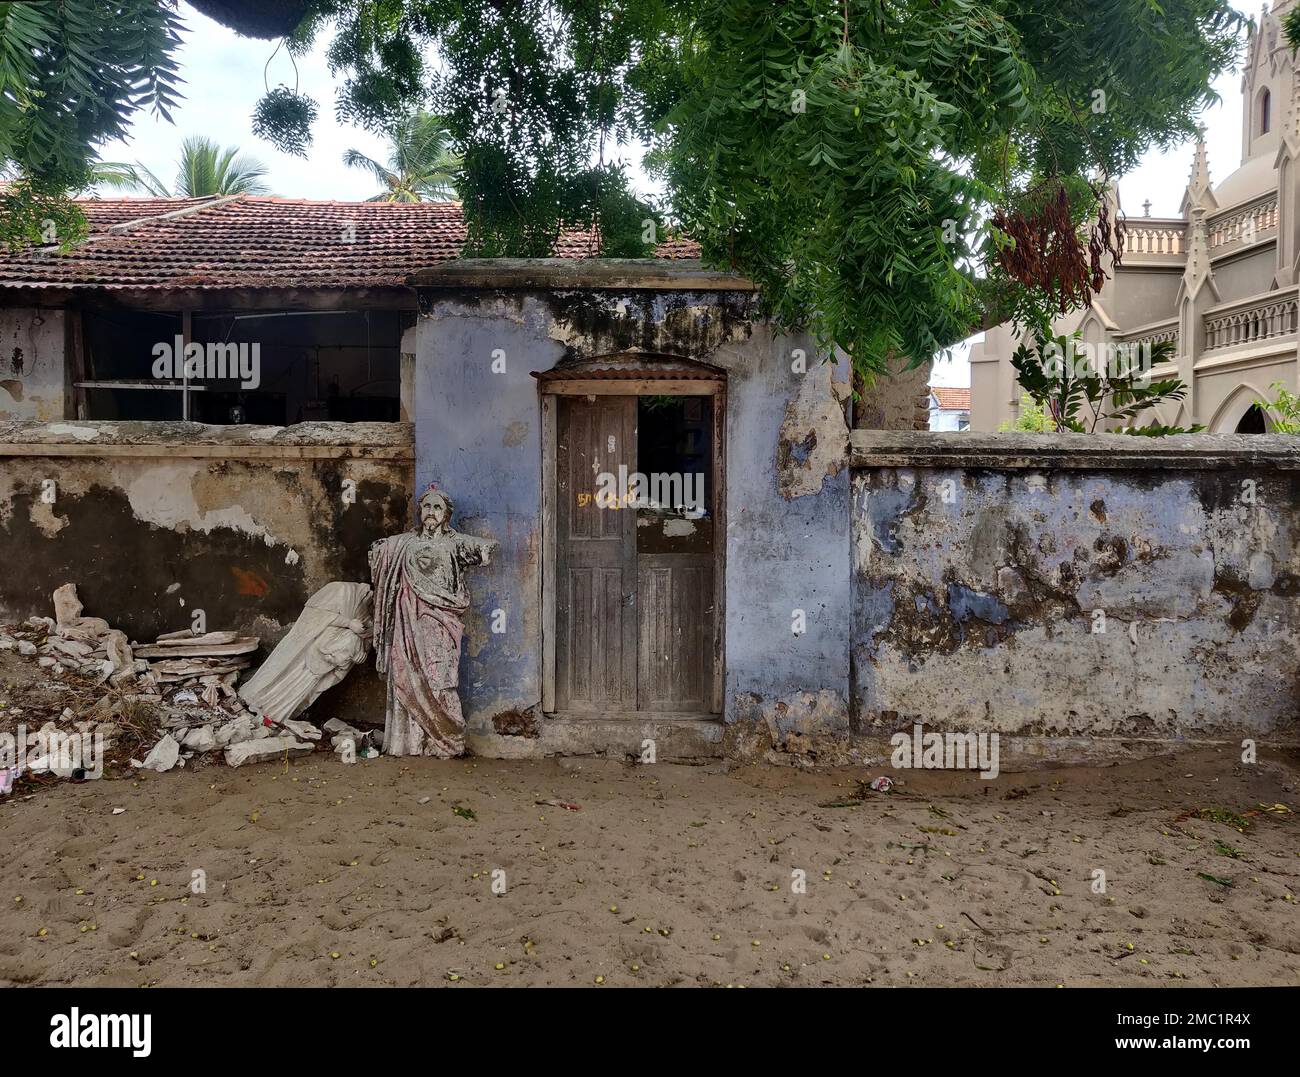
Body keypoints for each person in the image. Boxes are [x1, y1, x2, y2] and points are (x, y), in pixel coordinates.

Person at [369, 485, 496, 757]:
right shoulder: (405, 543)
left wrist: (486, 548)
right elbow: (379, 551)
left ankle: (445, 738)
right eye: (427, 507)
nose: (431, 512)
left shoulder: (453, 542)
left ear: (446, 514)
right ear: (420, 511)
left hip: (441, 621)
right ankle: (411, 742)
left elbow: (480, 548)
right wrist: (378, 551)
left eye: (437, 508)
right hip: (408, 620)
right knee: (407, 673)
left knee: (440, 677)